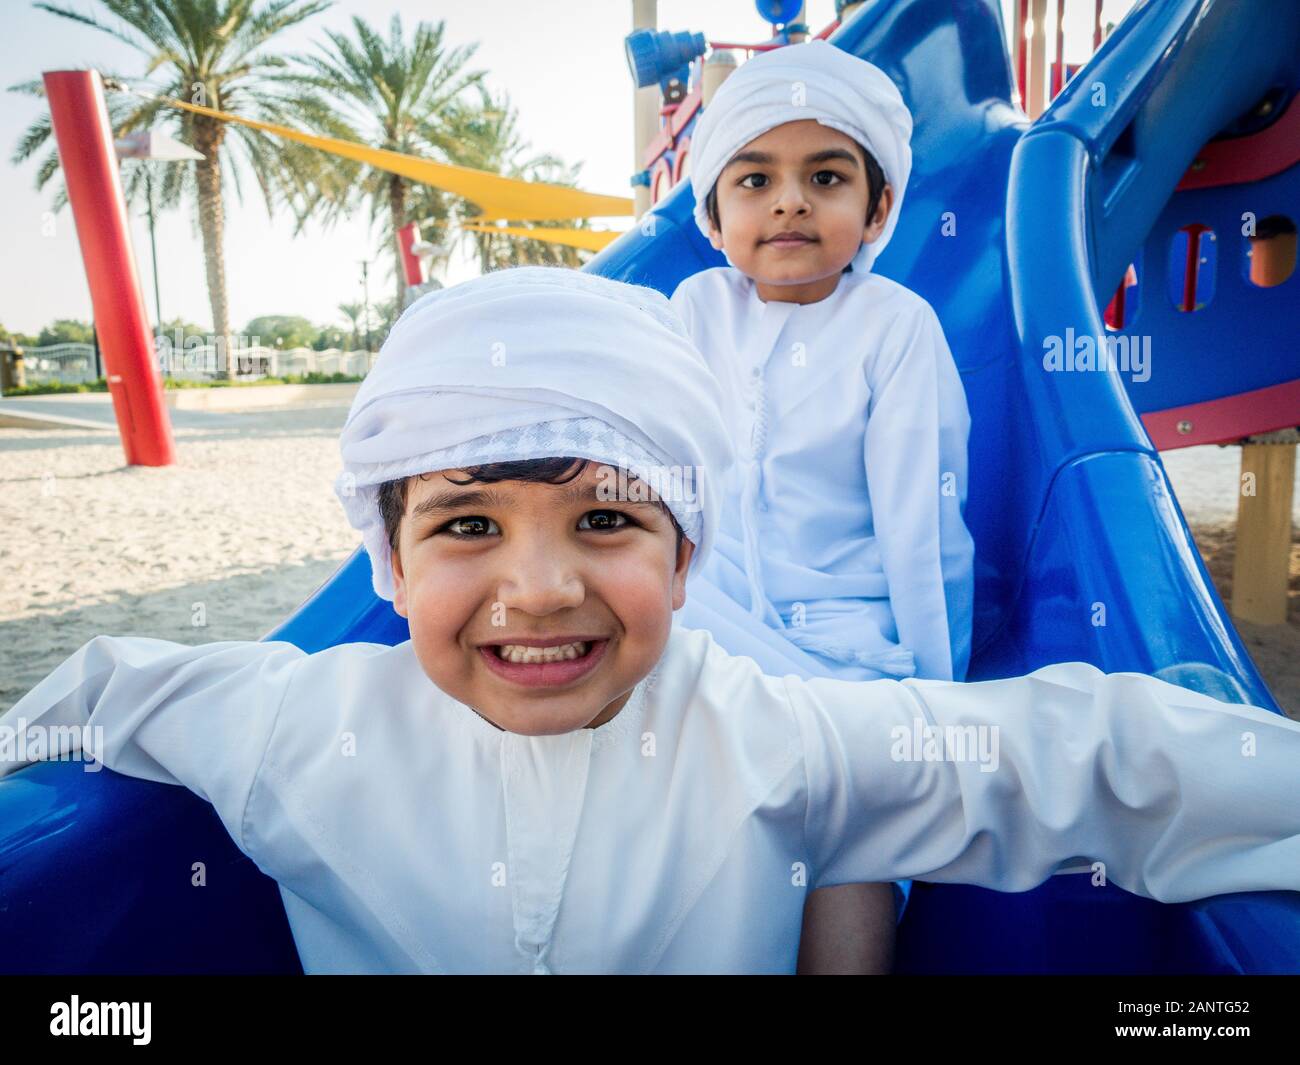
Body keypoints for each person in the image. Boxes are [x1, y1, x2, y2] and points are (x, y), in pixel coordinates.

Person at [2, 267, 1298, 976]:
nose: (541, 585)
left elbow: (1088, 753)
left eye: (607, 523)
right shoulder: (290, 723)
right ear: (385, 566)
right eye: (466, 526)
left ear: (687, 558)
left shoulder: (767, 735)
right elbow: (101, 688)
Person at [669, 38, 974, 967]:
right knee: (668, 776)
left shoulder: (894, 329)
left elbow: (922, 530)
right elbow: (655, 476)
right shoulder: (693, 309)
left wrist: (933, 695)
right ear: (714, 217)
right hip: (707, 620)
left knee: (854, 799)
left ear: (877, 209)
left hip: (849, 643)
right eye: (754, 179)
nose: (790, 199)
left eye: (826, 176)